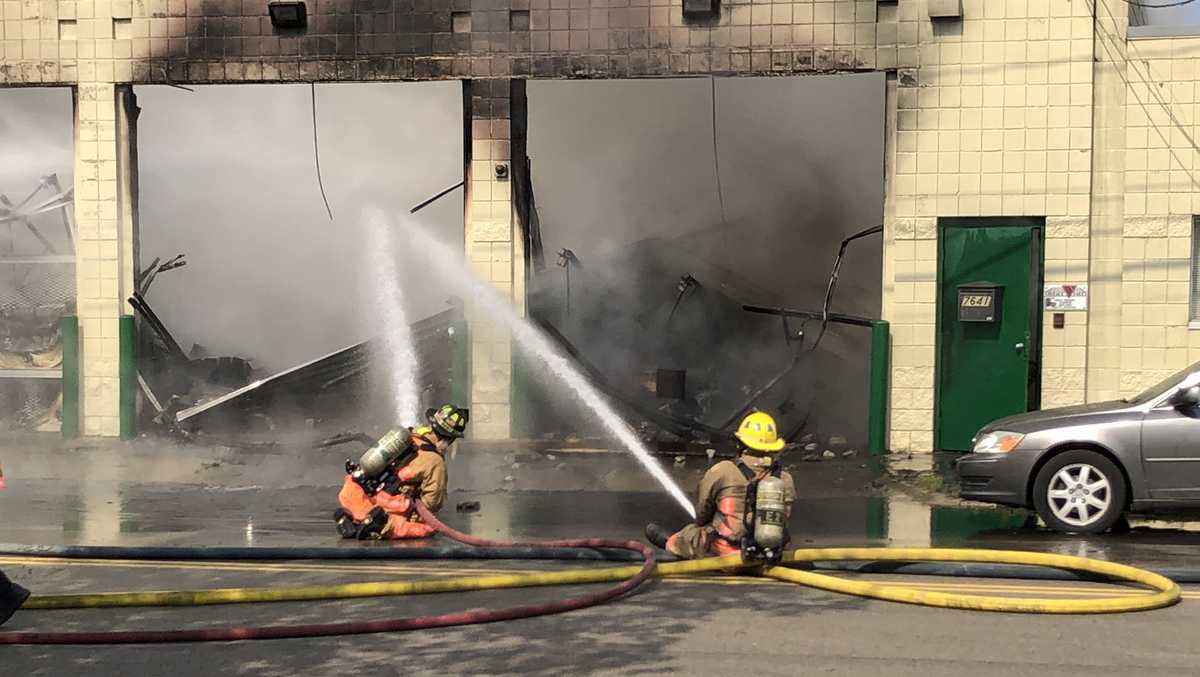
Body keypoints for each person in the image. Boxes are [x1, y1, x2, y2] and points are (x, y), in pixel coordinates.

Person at [645, 410, 796, 559]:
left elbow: (701, 512)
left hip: (727, 553)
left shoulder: (723, 470)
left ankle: (668, 544)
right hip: (773, 555)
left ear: (741, 443)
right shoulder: (785, 478)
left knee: (690, 535)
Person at [334, 404, 468, 540]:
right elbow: (433, 502)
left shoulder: (406, 437)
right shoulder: (435, 461)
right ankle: (380, 526)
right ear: (449, 438)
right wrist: (414, 510)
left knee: (355, 486)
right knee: (429, 528)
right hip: (391, 506)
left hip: (366, 497)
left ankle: (355, 518)